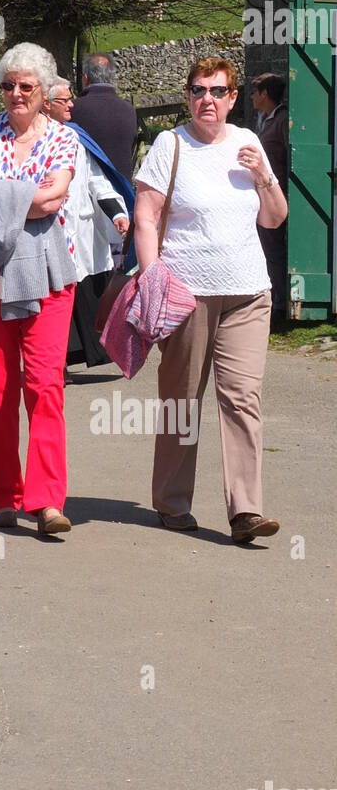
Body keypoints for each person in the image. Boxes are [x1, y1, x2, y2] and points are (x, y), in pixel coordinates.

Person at [133, 57, 287, 542]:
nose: (208, 100)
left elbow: (275, 218)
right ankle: (173, 501)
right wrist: (151, 274)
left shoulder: (248, 142)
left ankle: (246, 510)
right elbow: (145, 216)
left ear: (232, 98)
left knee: (243, 399)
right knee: (182, 400)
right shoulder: (169, 144)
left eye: (218, 92)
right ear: (188, 96)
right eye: (199, 90)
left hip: (247, 293)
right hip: (188, 295)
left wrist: (263, 173)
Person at [0, 43, 78, 537]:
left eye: (27, 86)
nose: (16, 94)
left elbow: (54, 199)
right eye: (9, 85)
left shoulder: (64, 139)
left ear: (45, 92)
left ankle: (47, 501)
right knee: (1, 389)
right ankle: (5, 495)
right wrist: (23, 195)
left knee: (45, 386)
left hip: (46, 275)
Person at [46, 77, 131, 370]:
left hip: (80, 230)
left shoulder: (76, 138)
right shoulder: (31, 140)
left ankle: (84, 354)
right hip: (47, 232)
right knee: (53, 299)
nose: (72, 104)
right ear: (46, 104)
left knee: (84, 293)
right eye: (65, 100)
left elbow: (96, 179)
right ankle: (55, 365)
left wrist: (117, 213)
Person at [251, 72, 288, 325]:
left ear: (265, 94)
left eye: (255, 91)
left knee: (274, 250)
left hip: (277, 196)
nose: (252, 96)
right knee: (264, 248)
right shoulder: (262, 118)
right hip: (259, 195)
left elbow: (289, 157)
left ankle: (280, 305)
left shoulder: (282, 120)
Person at [69, 52, 138, 181]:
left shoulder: (72, 109)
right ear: (112, 77)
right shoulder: (129, 110)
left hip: (88, 193)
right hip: (122, 192)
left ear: (85, 79)